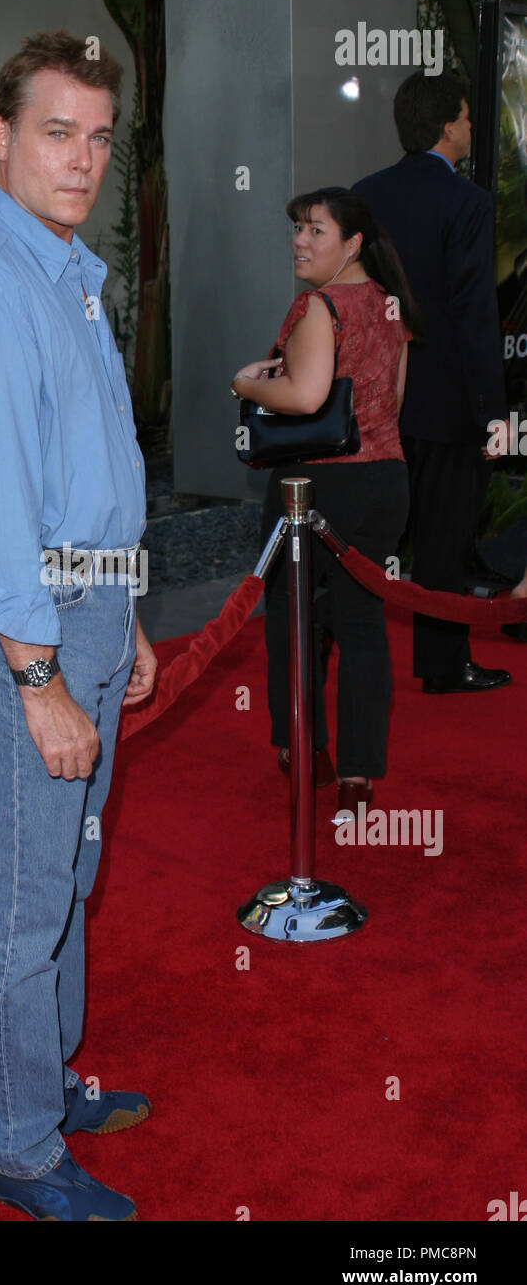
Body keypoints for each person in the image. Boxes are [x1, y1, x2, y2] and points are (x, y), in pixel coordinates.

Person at [0, 30, 157, 1222]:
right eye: (57, 132)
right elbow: (0, 510)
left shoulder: (66, 269)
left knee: (67, 878)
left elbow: (85, 471)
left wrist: (127, 609)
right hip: (28, 629)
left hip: (88, 605)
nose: (83, 159)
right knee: (14, 905)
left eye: (100, 137)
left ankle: (40, 1083)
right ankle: (10, 1147)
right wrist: (41, 673)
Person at [232, 187, 420, 820]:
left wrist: (248, 381)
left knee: (292, 619)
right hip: (387, 480)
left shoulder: (320, 305)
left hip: (315, 486)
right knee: (363, 624)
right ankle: (359, 776)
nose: (300, 242)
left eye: (315, 230)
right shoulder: (390, 306)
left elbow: (308, 397)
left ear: (353, 242)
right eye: (297, 230)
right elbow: (391, 403)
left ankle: (304, 752)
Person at [353, 71, 511, 694]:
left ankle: (336, 657)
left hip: (377, 399)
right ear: (448, 127)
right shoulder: (467, 203)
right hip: (447, 399)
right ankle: (443, 666)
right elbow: (475, 314)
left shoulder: (364, 195)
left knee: (364, 539)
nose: (472, 127)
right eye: (469, 118)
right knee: (444, 539)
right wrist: (493, 412)